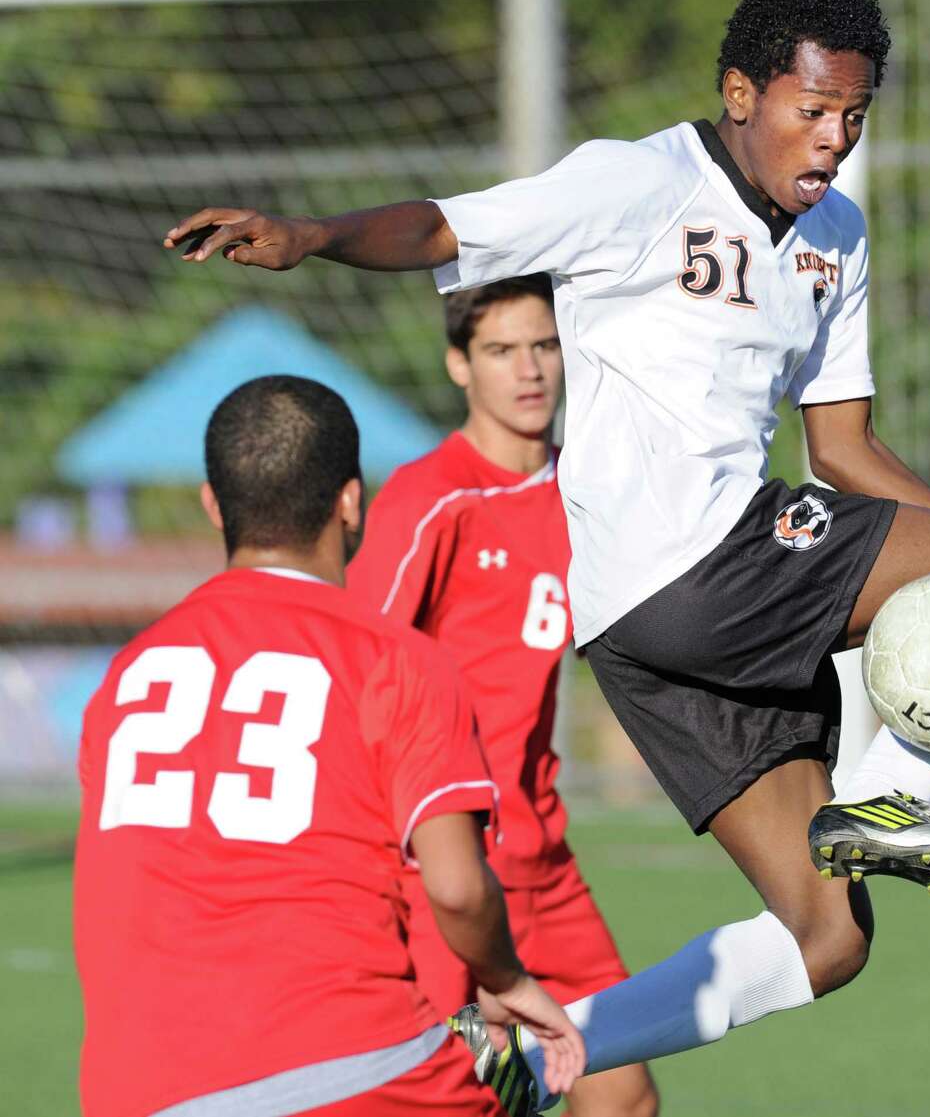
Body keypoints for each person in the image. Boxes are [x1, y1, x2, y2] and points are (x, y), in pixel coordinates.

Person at [164, 0, 930, 1104]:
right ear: (738, 92)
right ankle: (897, 797)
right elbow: (443, 226)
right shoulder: (635, 181)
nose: (833, 141)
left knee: (828, 939)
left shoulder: (838, 238)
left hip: (644, 632)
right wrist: (312, 233)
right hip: (697, 558)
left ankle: (531, 1054)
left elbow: (847, 451)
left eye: (854, 118)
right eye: (810, 111)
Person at [73, 375, 583, 1117]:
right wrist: (506, 980)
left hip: (134, 1093)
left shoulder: (125, 675)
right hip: (353, 1074)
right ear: (351, 502)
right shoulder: (397, 659)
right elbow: (457, 887)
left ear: (213, 505)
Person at [346, 275, 657, 1117]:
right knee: (486, 1099)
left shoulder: (589, 491)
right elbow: (350, 673)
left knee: (622, 1092)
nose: (529, 369)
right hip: (443, 874)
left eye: (545, 345)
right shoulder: (430, 497)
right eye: (499, 350)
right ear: (458, 365)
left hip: (544, 862)